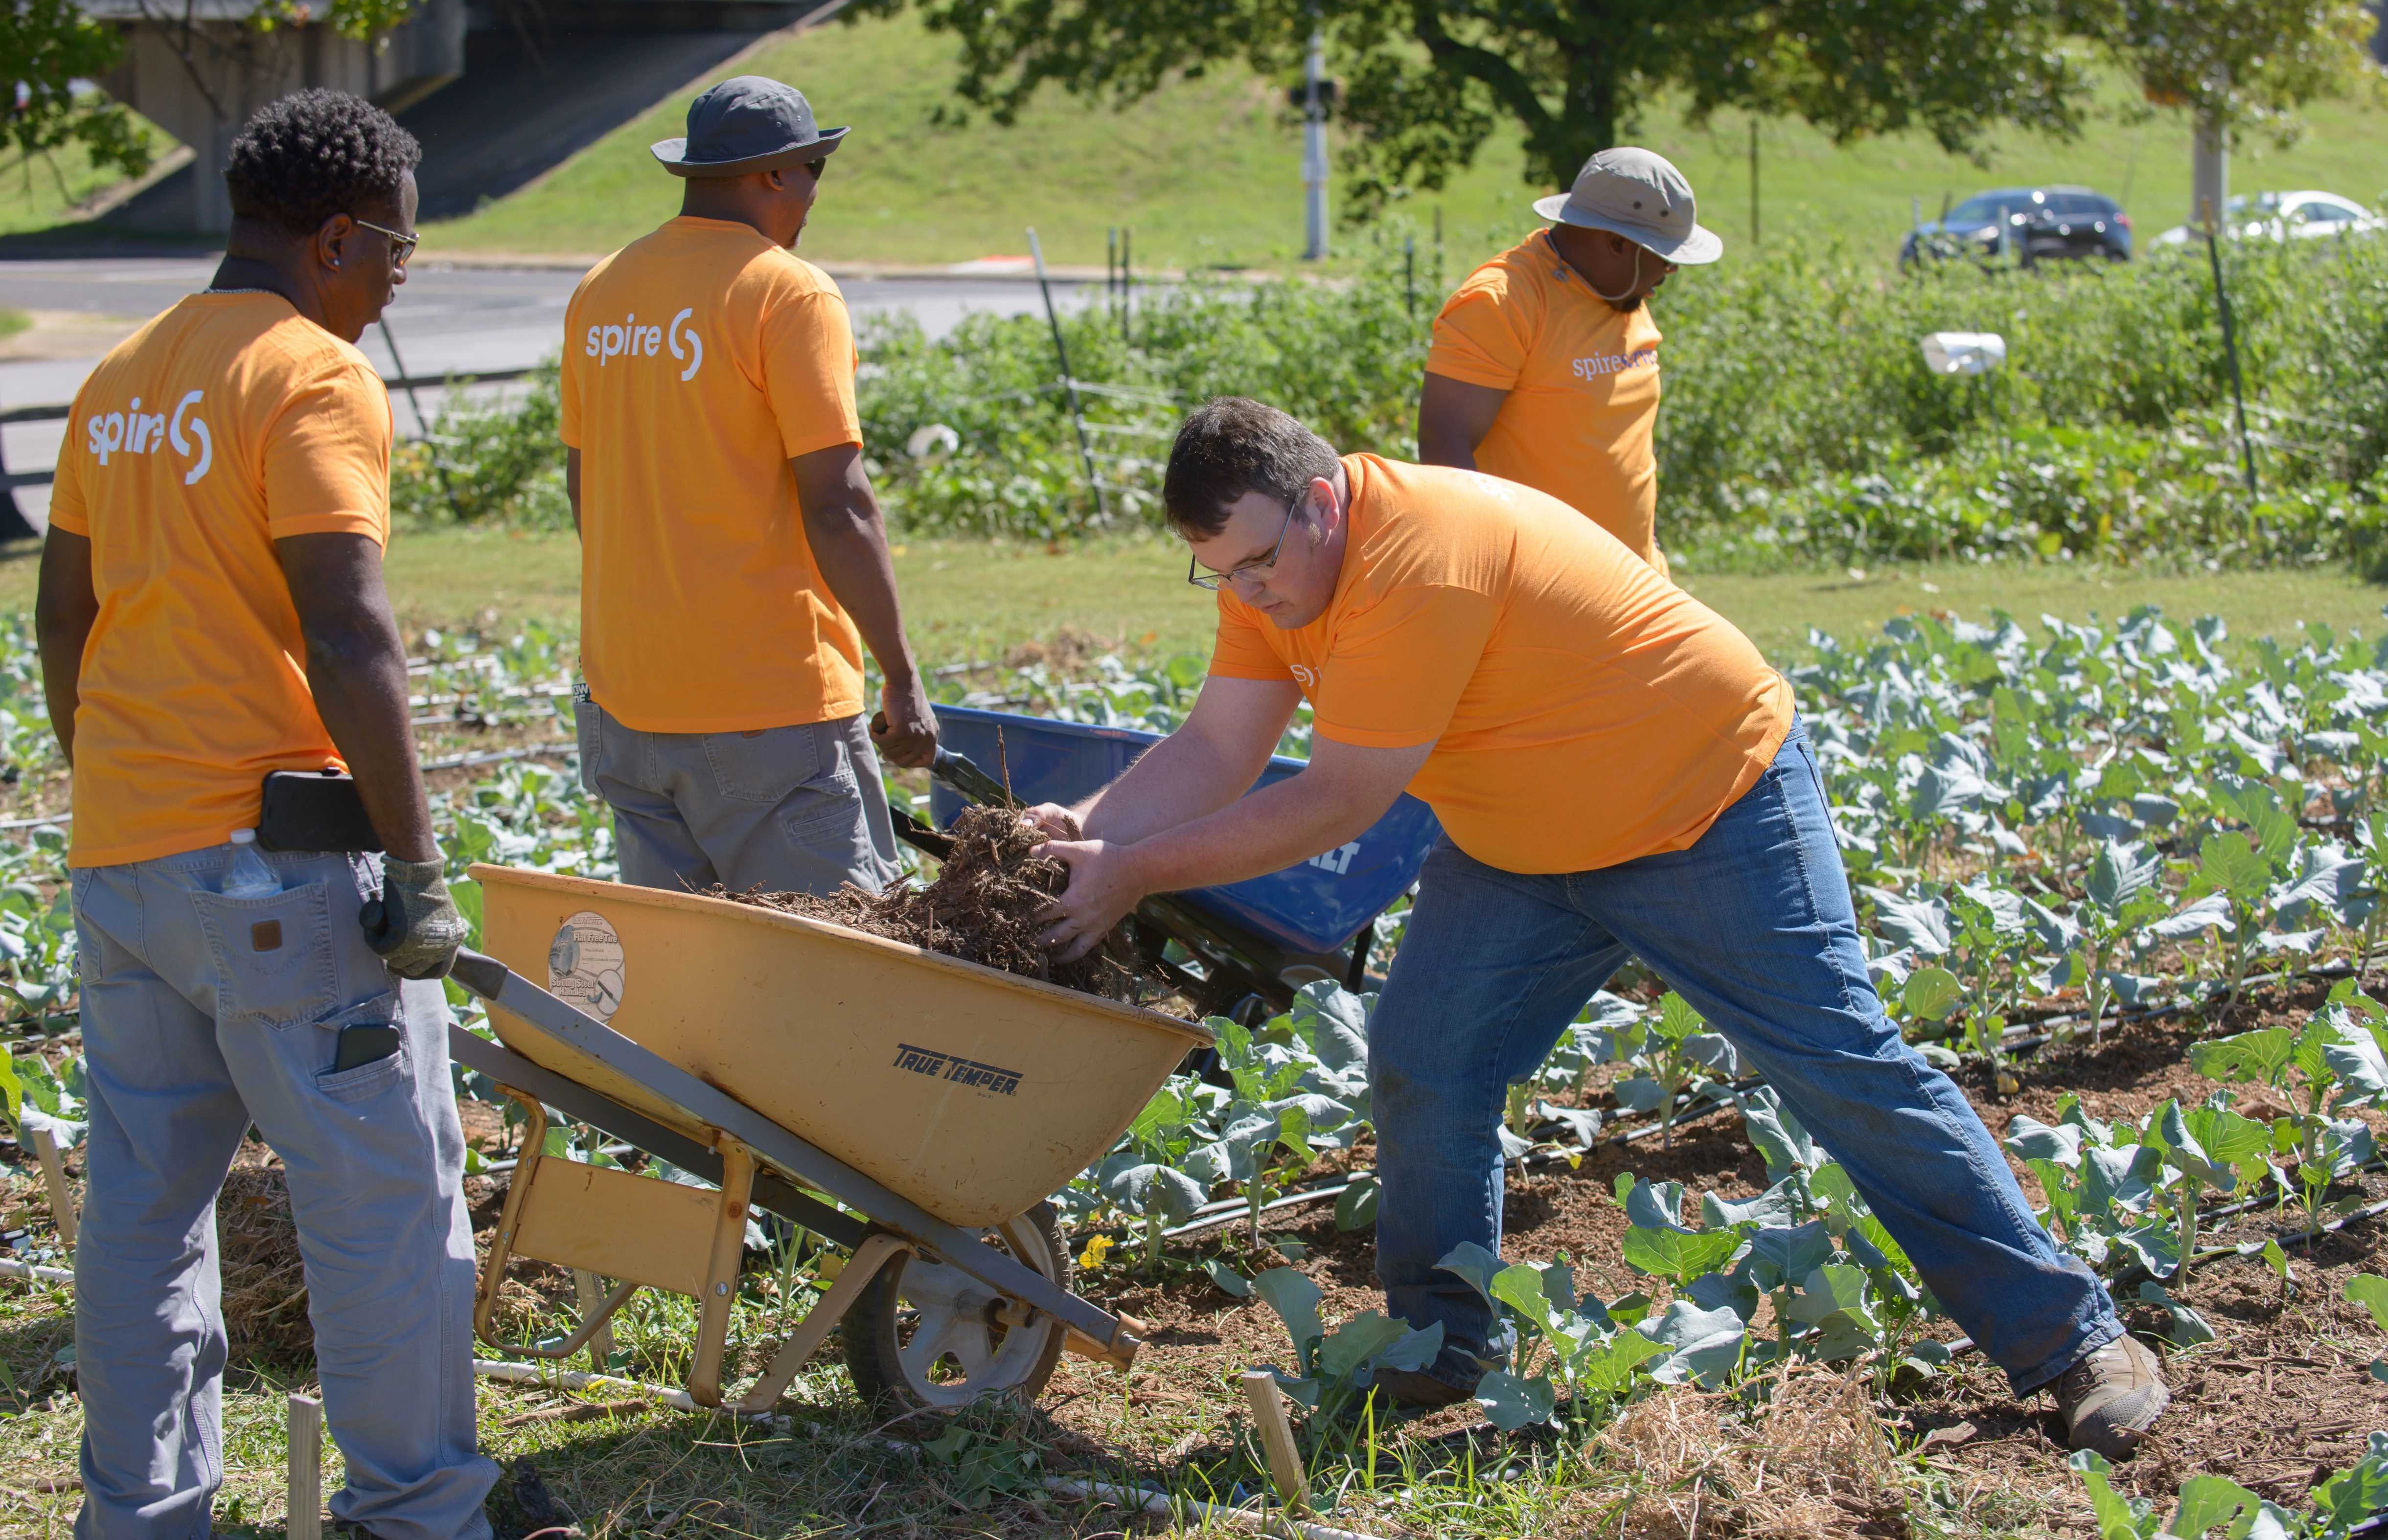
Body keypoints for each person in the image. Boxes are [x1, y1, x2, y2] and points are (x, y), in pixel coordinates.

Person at [1030, 398, 2170, 1457]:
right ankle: (1438, 1349)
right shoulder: (1273, 578)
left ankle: (2073, 1342)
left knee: (1838, 1066)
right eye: (1217, 573)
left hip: (1704, 807)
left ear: (1322, 500)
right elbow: (1216, 750)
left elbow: (1338, 801)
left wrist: (1131, 872)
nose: (1250, 592)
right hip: (1523, 848)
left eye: (1261, 562)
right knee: (1426, 1061)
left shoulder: (1419, 554)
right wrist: (1080, 829)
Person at [36, 90, 495, 1539]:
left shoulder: (123, 374)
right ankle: (414, 1506)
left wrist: (115, 776)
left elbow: (62, 612)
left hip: (124, 862)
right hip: (279, 875)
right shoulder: (307, 374)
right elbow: (350, 630)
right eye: (397, 257)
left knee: (142, 1221)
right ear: (337, 236)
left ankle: (142, 1513)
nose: (395, 285)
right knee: (387, 1201)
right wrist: (413, 866)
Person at [560, 74, 937, 897]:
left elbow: (584, 487)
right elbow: (839, 505)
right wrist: (902, 678)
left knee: (689, 991)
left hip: (627, 706)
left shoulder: (603, 290)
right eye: (814, 171)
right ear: (774, 174)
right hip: (769, 710)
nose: (812, 196)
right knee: (835, 979)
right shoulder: (786, 292)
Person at [1416, 147, 1717, 571]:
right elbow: (1444, 447)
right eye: (1663, 256)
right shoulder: (1502, 302)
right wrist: (1499, 574)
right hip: (1539, 594)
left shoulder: (1622, 293)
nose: (1670, 272)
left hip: (1640, 581)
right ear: (1615, 243)